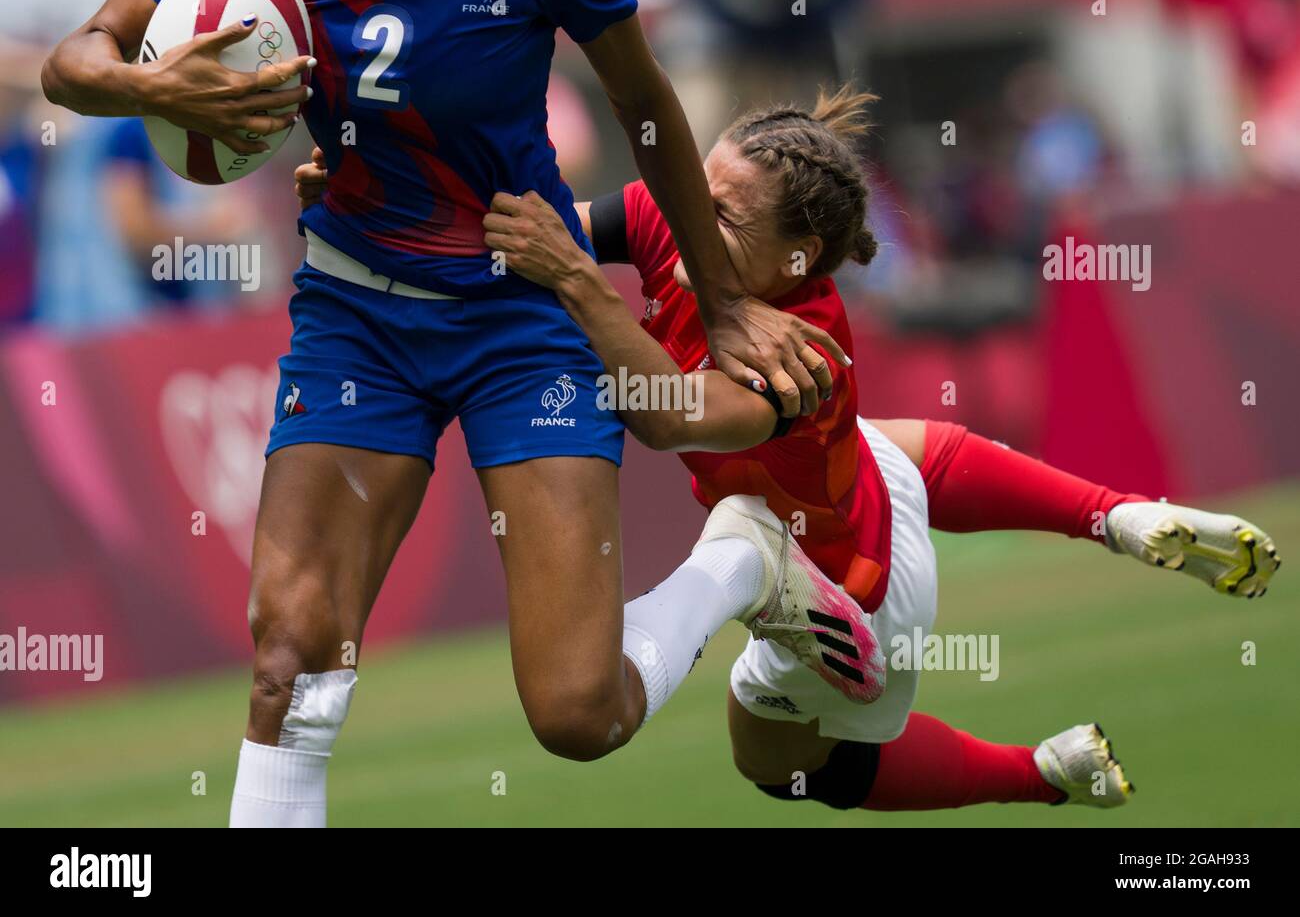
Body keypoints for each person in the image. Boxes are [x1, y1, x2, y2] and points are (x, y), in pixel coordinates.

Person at [42, 0, 859, 828]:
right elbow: (73, 60)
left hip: (520, 311)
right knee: (290, 660)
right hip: (357, 314)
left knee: (578, 714)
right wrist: (150, 84)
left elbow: (642, 97)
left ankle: (739, 562)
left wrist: (725, 301)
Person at [390, 81, 1278, 812]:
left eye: (726, 215)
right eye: (699, 187)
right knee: (878, 451)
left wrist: (580, 283)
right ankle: (1119, 517)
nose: (694, 217)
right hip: (860, 493)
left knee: (779, 762)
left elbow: (662, 412)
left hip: (860, 598)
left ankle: (1037, 775)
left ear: (795, 261)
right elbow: (524, 237)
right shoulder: (678, 222)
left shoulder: (799, 351)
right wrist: (379, 205)